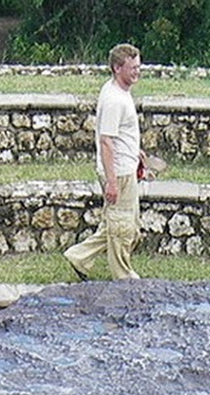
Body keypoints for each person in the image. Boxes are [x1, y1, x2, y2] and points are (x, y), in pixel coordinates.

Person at [64, 43, 146, 281]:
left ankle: (79, 256)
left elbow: (120, 134)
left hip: (124, 166)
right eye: (132, 68)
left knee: (122, 221)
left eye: (138, 67)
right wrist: (111, 181)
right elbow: (106, 141)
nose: (137, 72)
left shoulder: (120, 92)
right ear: (117, 68)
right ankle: (123, 276)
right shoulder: (114, 100)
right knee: (122, 226)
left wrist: (135, 151)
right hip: (118, 173)